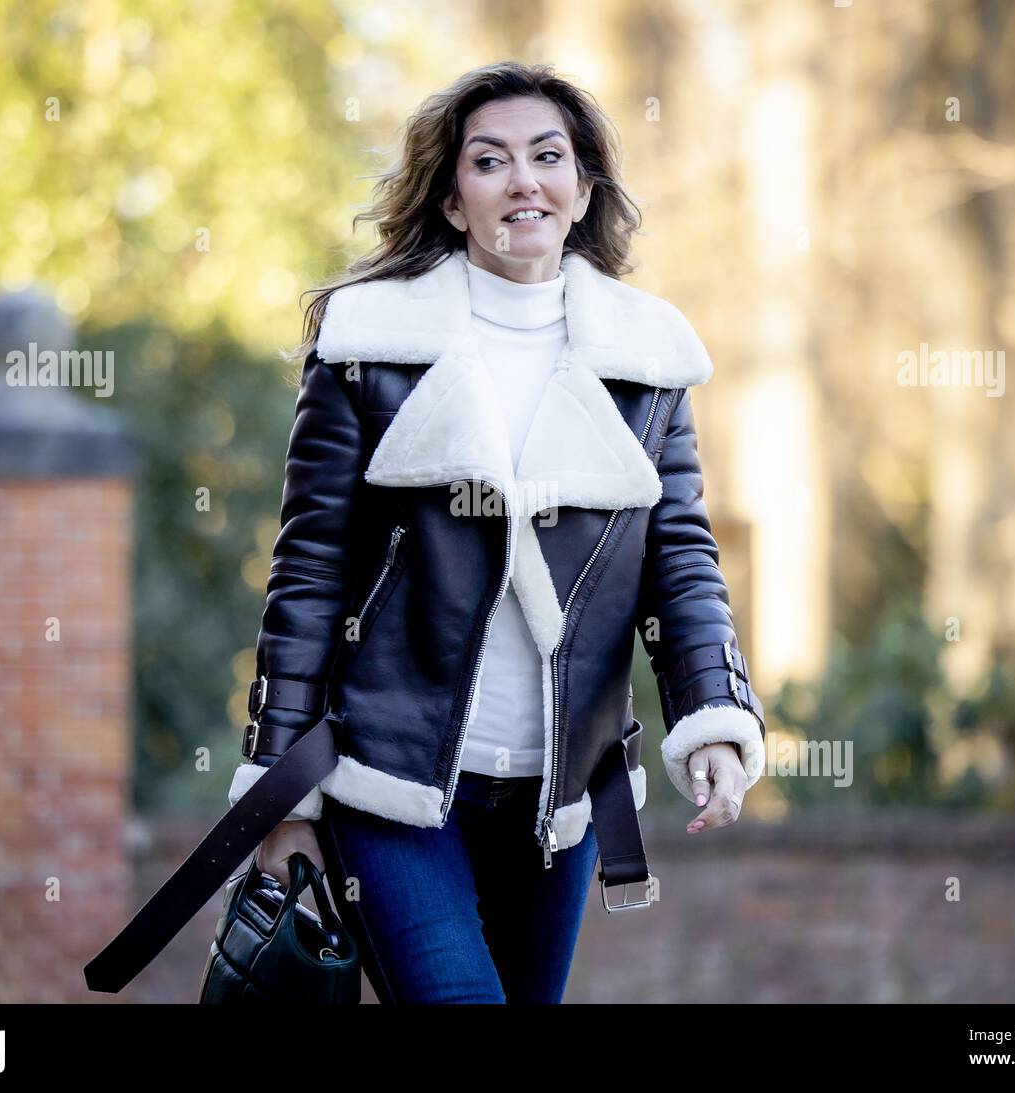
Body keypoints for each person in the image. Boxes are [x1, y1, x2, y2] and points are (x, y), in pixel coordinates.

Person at [227, 61, 766, 1003]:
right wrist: (280, 789)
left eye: (547, 156)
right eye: (490, 161)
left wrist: (712, 715)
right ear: (450, 199)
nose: (524, 180)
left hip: (563, 799)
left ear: (582, 187)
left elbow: (678, 560)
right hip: (389, 786)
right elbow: (308, 574)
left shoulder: (649, 361)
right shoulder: (367, 348)